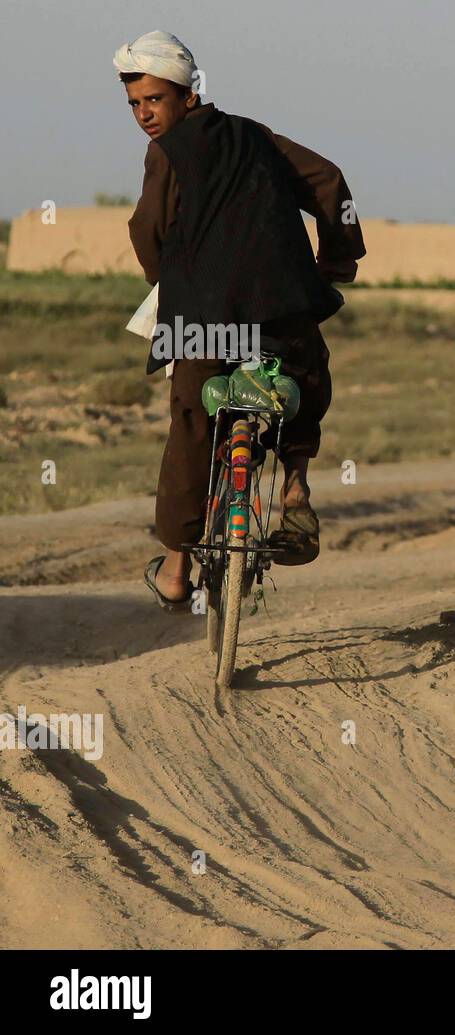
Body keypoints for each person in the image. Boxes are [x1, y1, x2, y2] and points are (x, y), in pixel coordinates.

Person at [115, 31, 366, 610]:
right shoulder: (258, 138)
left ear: (187, 94)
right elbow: (328, 180)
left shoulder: (167, 153)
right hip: (280, 306)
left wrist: (166, 280)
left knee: (191, 423)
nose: (144, 114)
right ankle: (297, 484)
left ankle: (177, 570)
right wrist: (337, 258)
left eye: (153, 100)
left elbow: (145, 227)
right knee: (304, 373)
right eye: (134, 104)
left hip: (203, 318)